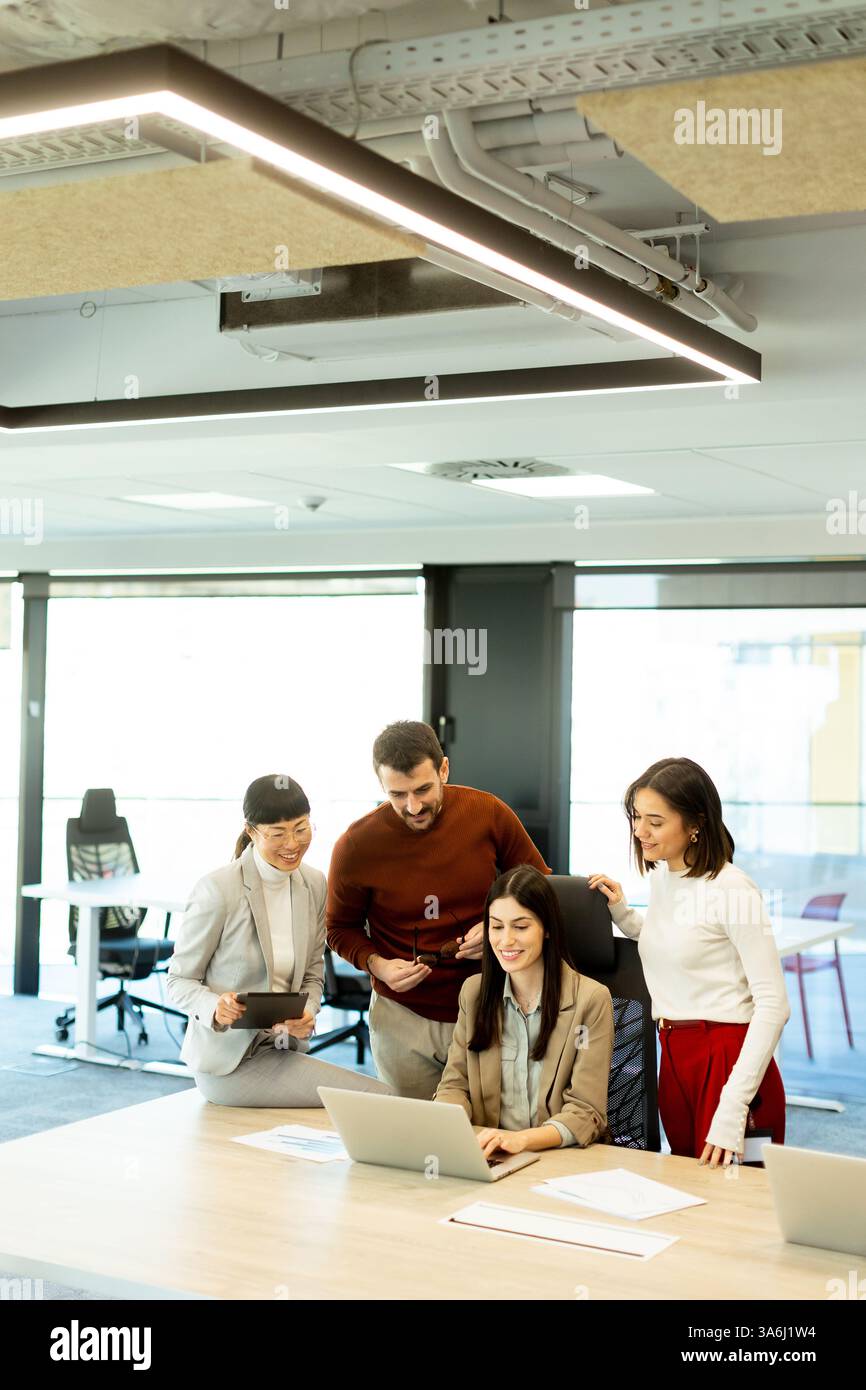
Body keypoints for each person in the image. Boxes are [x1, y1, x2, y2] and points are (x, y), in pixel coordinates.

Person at [326, 720, 549, 1099]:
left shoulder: (488, 813)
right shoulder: (355, 845)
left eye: (423, 789)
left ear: (444, 769)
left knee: (492, 1133)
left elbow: (541, 886)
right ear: (381, 785)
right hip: (402, 1016)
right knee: (417, 1137)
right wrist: (376, 964)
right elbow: (338, 928)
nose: (413, 807)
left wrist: (497, 928)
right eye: (397, 794)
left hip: (490, 1006)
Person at [588, 757, 790, 1169]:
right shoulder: (664, 877)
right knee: (690, 1188)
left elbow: (774, 1005)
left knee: (738, 1201)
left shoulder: (734, 889)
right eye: (637, 817)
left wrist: (734, 1105)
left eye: (655, 822)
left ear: (695, 824)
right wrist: (624, 915)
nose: (640, 832)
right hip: (675, 1055)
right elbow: (680, 948)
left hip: (728, 1059)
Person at [167, 774, 391, 1106]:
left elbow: (314, 974)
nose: (292, 844)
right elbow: (179, 980)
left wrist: (309, 1012)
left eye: (301, 829)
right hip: (229, 1064)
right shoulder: (219, 890)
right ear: (251, 831)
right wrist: (215, 1006)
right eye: (278, 834)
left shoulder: (313, 884)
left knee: (379, 1099)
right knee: (377, 1099)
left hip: (282, 1049)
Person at [434, 865, 614, 1157]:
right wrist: (445, 1117)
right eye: (496, 926)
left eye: (520, 927)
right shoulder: (474, 993)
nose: (505, 941)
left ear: (546, 929)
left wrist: (522, 1141)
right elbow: (455, 1084)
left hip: (558, 1158)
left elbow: (586, 1111)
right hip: (489, 1154)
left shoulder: (590, 1000)